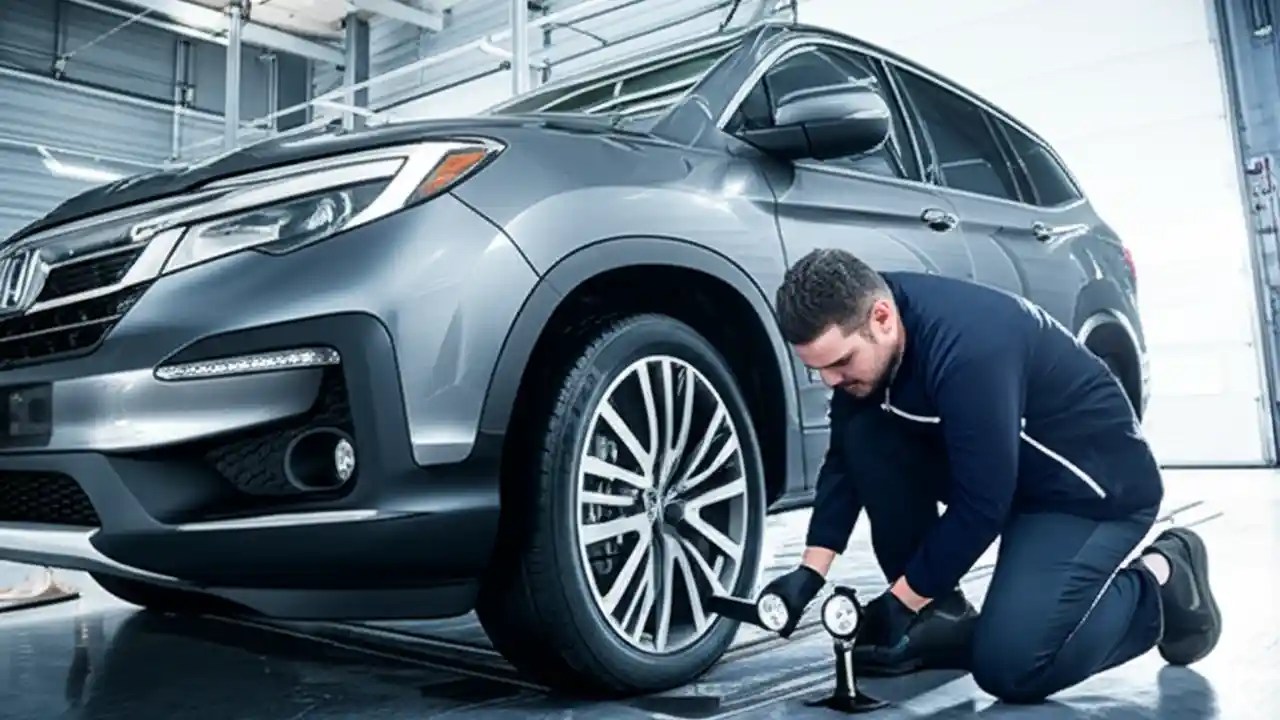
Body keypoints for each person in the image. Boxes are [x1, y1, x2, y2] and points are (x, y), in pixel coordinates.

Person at [760, 248, 1221, 704]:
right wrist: (809, 572)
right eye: (816, 369)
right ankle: (941, 616)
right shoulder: (866, 316)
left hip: (1088, 493)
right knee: (868, 438)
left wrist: (899, 601)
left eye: (840, 362)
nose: (829, 381)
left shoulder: (970, 348)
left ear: (882, 318)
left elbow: (981, 507)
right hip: (1006, 475)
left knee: (1012, 667)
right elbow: (846, 457)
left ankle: (1165, 575)